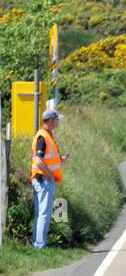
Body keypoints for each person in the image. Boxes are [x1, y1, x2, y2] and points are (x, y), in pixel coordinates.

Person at [30, 101, 67, 250]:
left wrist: (60, 159)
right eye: (57, 119)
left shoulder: (46, 135)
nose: (58, 122)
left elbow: (46, 158)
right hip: (44, 179)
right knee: (44, 213)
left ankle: (37, 242)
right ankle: (40, 245)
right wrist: (50, 174)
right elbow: (38, 161)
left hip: (43, 178)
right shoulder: (42, 137)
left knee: (41, 213)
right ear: (51, 120)